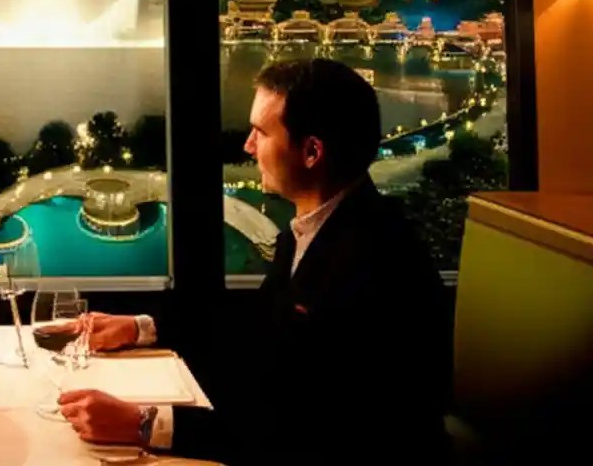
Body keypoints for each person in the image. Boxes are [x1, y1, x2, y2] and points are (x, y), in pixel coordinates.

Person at [59, 58, 450, 464]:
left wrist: (145, 424)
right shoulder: (313, 231)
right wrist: (143, 328)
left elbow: (305, 432)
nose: (247, 145)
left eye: (261, 132)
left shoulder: (375, 265)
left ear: (312, 151)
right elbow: (257, 331)